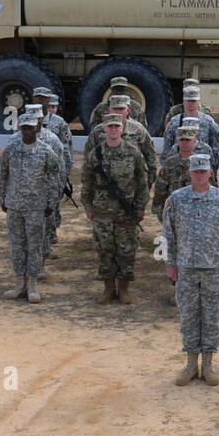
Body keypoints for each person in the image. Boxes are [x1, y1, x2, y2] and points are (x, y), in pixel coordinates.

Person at [163, 154, 219, 386]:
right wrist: (169, 262)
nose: (199, 175)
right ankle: (190, 364)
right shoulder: (177, 199)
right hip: (185, 268)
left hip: (213, 269)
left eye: (203, 171)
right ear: (190, 172)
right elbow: (167, 233)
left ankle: (207, 364)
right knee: (188, 316)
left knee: (211, 316)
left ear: (210, 172)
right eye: (195, 171)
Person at [80, 113, 150, 304]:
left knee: (127, 250)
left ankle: (124, 289)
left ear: (121, 128)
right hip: (102, 211)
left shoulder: (133, 152)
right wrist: (87, 206)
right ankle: (108, 288)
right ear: (104, 129)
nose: (113, 129)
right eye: (109, 126)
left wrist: (140, 207)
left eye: (116, 126)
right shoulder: (96, 154)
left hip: (125, 212)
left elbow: (142, 182)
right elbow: (87, 182)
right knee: (105, 250)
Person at [0, 112, 59, 304]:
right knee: (17, 246)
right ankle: (19, 284)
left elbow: (54, 179)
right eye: (24, 128)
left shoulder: (47, 151)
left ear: (37, 128)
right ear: (20, 129)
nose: (28, 131)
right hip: (14, 206)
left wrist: (51, 203)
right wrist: (2, 199)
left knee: (34, 246)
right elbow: (1, 175)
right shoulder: (11, 150)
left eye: (31, 127)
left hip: (36, 207)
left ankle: (32, 285)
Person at [22, 103, 67, 277]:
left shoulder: (51, 140)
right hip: (22, 197)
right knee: (25, 234)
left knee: (43, 230)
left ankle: (40, 263)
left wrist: (56, 193)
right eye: (31, 117)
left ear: (42, 118)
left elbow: (59, 168)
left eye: (37, 117)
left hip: (43, 196)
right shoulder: (15, 140)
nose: (35, 121)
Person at [152, 123, 215, 222]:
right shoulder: (169, 163)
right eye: (182, 140)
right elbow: (160, 190)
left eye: (188, 140)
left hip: (199, 215)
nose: (185, 142)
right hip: (175, 214)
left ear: (194, 141)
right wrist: (161, 214)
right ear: (178, 141)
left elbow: (212, 190)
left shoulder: (202, 163)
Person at [91, 95, 158, 188]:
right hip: (103, 190)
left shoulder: (139, 130)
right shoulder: (98, 131)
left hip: (132, 189)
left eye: (121, 108)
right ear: (109, 110)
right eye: (115, 109)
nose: (118, 112)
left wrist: (147, 185)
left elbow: (151, 157)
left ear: (128, 110)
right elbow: (88, 160)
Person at [34, 89, 73, 247]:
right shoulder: (28, 121)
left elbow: (66, 144)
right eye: (40, 100)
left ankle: (52, 232)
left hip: (56, 169)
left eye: (50, 105)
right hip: (35, 171)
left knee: (53, 202)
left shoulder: (59, 122)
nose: (47, 107)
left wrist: (68, 165)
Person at [163, 85, 219, 166]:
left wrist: (212, 173)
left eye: (193, 101)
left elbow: (216, 150)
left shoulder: (208, 122)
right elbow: (166, 150)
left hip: (201, 168)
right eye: (188, 100)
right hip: (178, 168)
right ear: (183, 101)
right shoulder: (174, 122)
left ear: (199, 101)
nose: (190, 103)